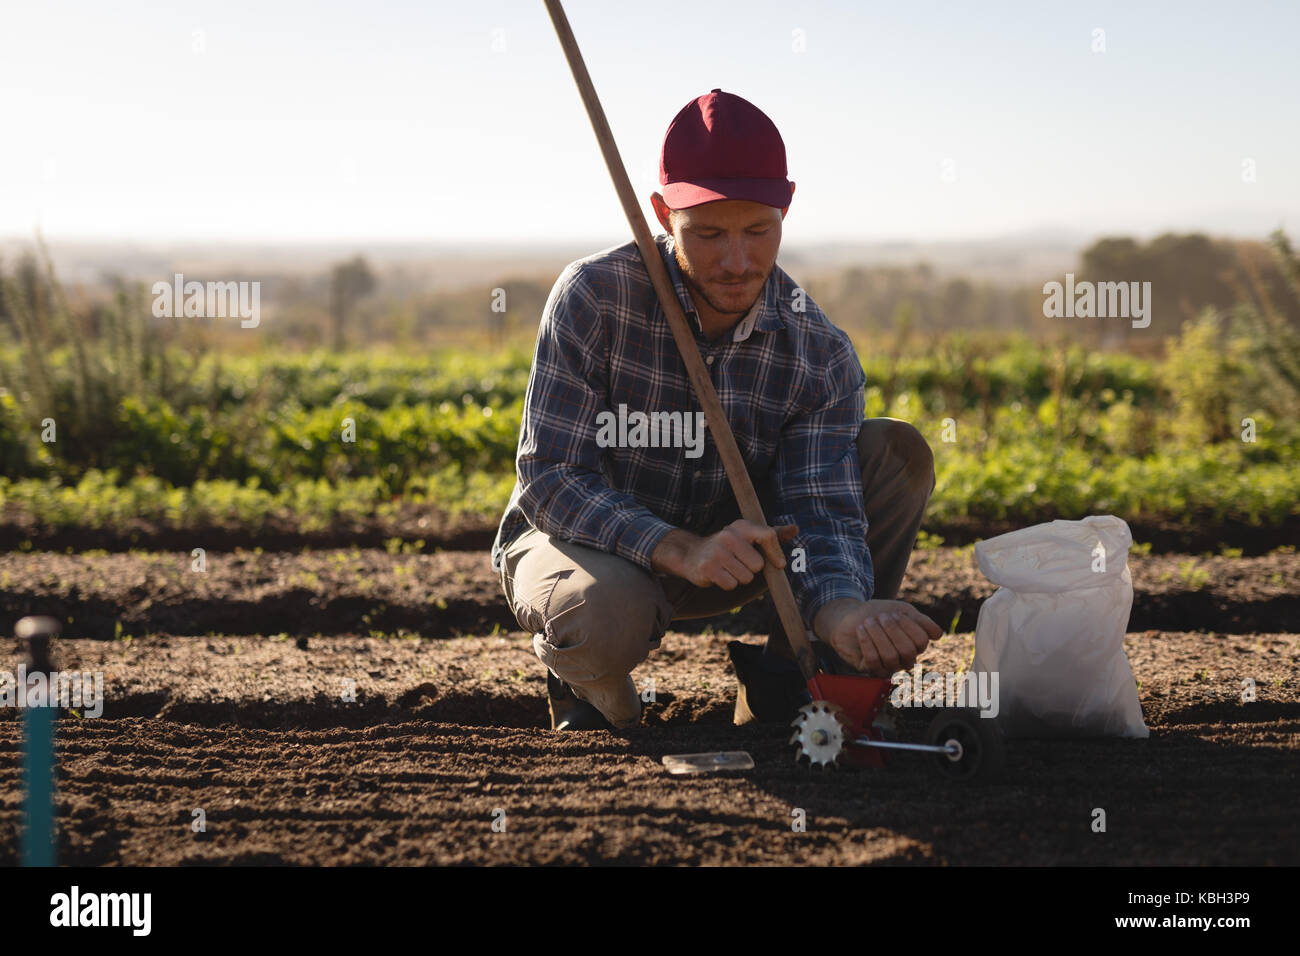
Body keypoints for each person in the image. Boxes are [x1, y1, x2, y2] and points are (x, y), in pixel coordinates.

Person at [492, 89, 941, 730]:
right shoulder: (594, 297)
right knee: (603, 613)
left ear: (786, 210)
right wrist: (678, 548)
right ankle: (586, 678)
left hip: (736, 553)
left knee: (895, 452)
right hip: (595, 550)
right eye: (707, 234)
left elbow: (817, 507)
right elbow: (551, 478)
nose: (737, 262)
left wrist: (839, 606)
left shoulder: (817, 351)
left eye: (759, 231)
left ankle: (801, 678)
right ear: (660, 213)